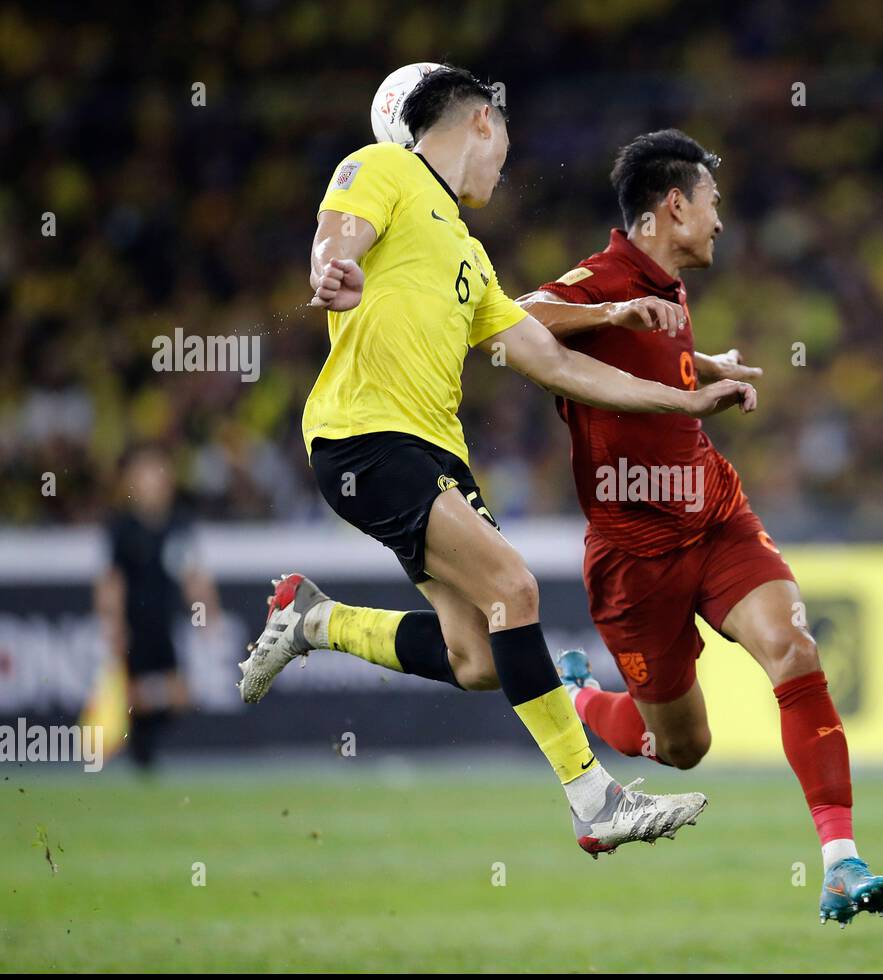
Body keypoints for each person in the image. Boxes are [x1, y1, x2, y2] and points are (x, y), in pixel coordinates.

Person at [238, 69, 757, 857]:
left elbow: (552, 361)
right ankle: (594, 798)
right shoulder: (387, 170)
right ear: (482, 121)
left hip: (435, 451)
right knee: (513, 585)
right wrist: (330, 267)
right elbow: (338, 231)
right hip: (365, 438)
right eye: (503, 145)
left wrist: (681, 399)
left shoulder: (469, 256)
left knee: (476, 656)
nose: (504, 166)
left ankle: (309, 618)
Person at [518, 129, 883, 923]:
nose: (721, 221)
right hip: (634, 559)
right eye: (712, 204)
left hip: (714, 514)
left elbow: (648, 362)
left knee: (795, 648)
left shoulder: (671, 282)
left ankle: (841, 861)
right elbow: (507, 320)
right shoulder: (608, 278)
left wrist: (705, 368)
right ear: (673, 205)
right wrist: (614, 307)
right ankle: (584, 701)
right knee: (683, 746)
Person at [97, 444, 220, 770]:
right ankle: (134, 743)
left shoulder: (179, 524)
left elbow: (193, 574)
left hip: (165, 625)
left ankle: (142, 739)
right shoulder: (122, 528)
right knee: (129, 693)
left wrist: (207, 613)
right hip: (134, 627)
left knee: (180, 695)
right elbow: (112, 581)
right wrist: (113, 624)